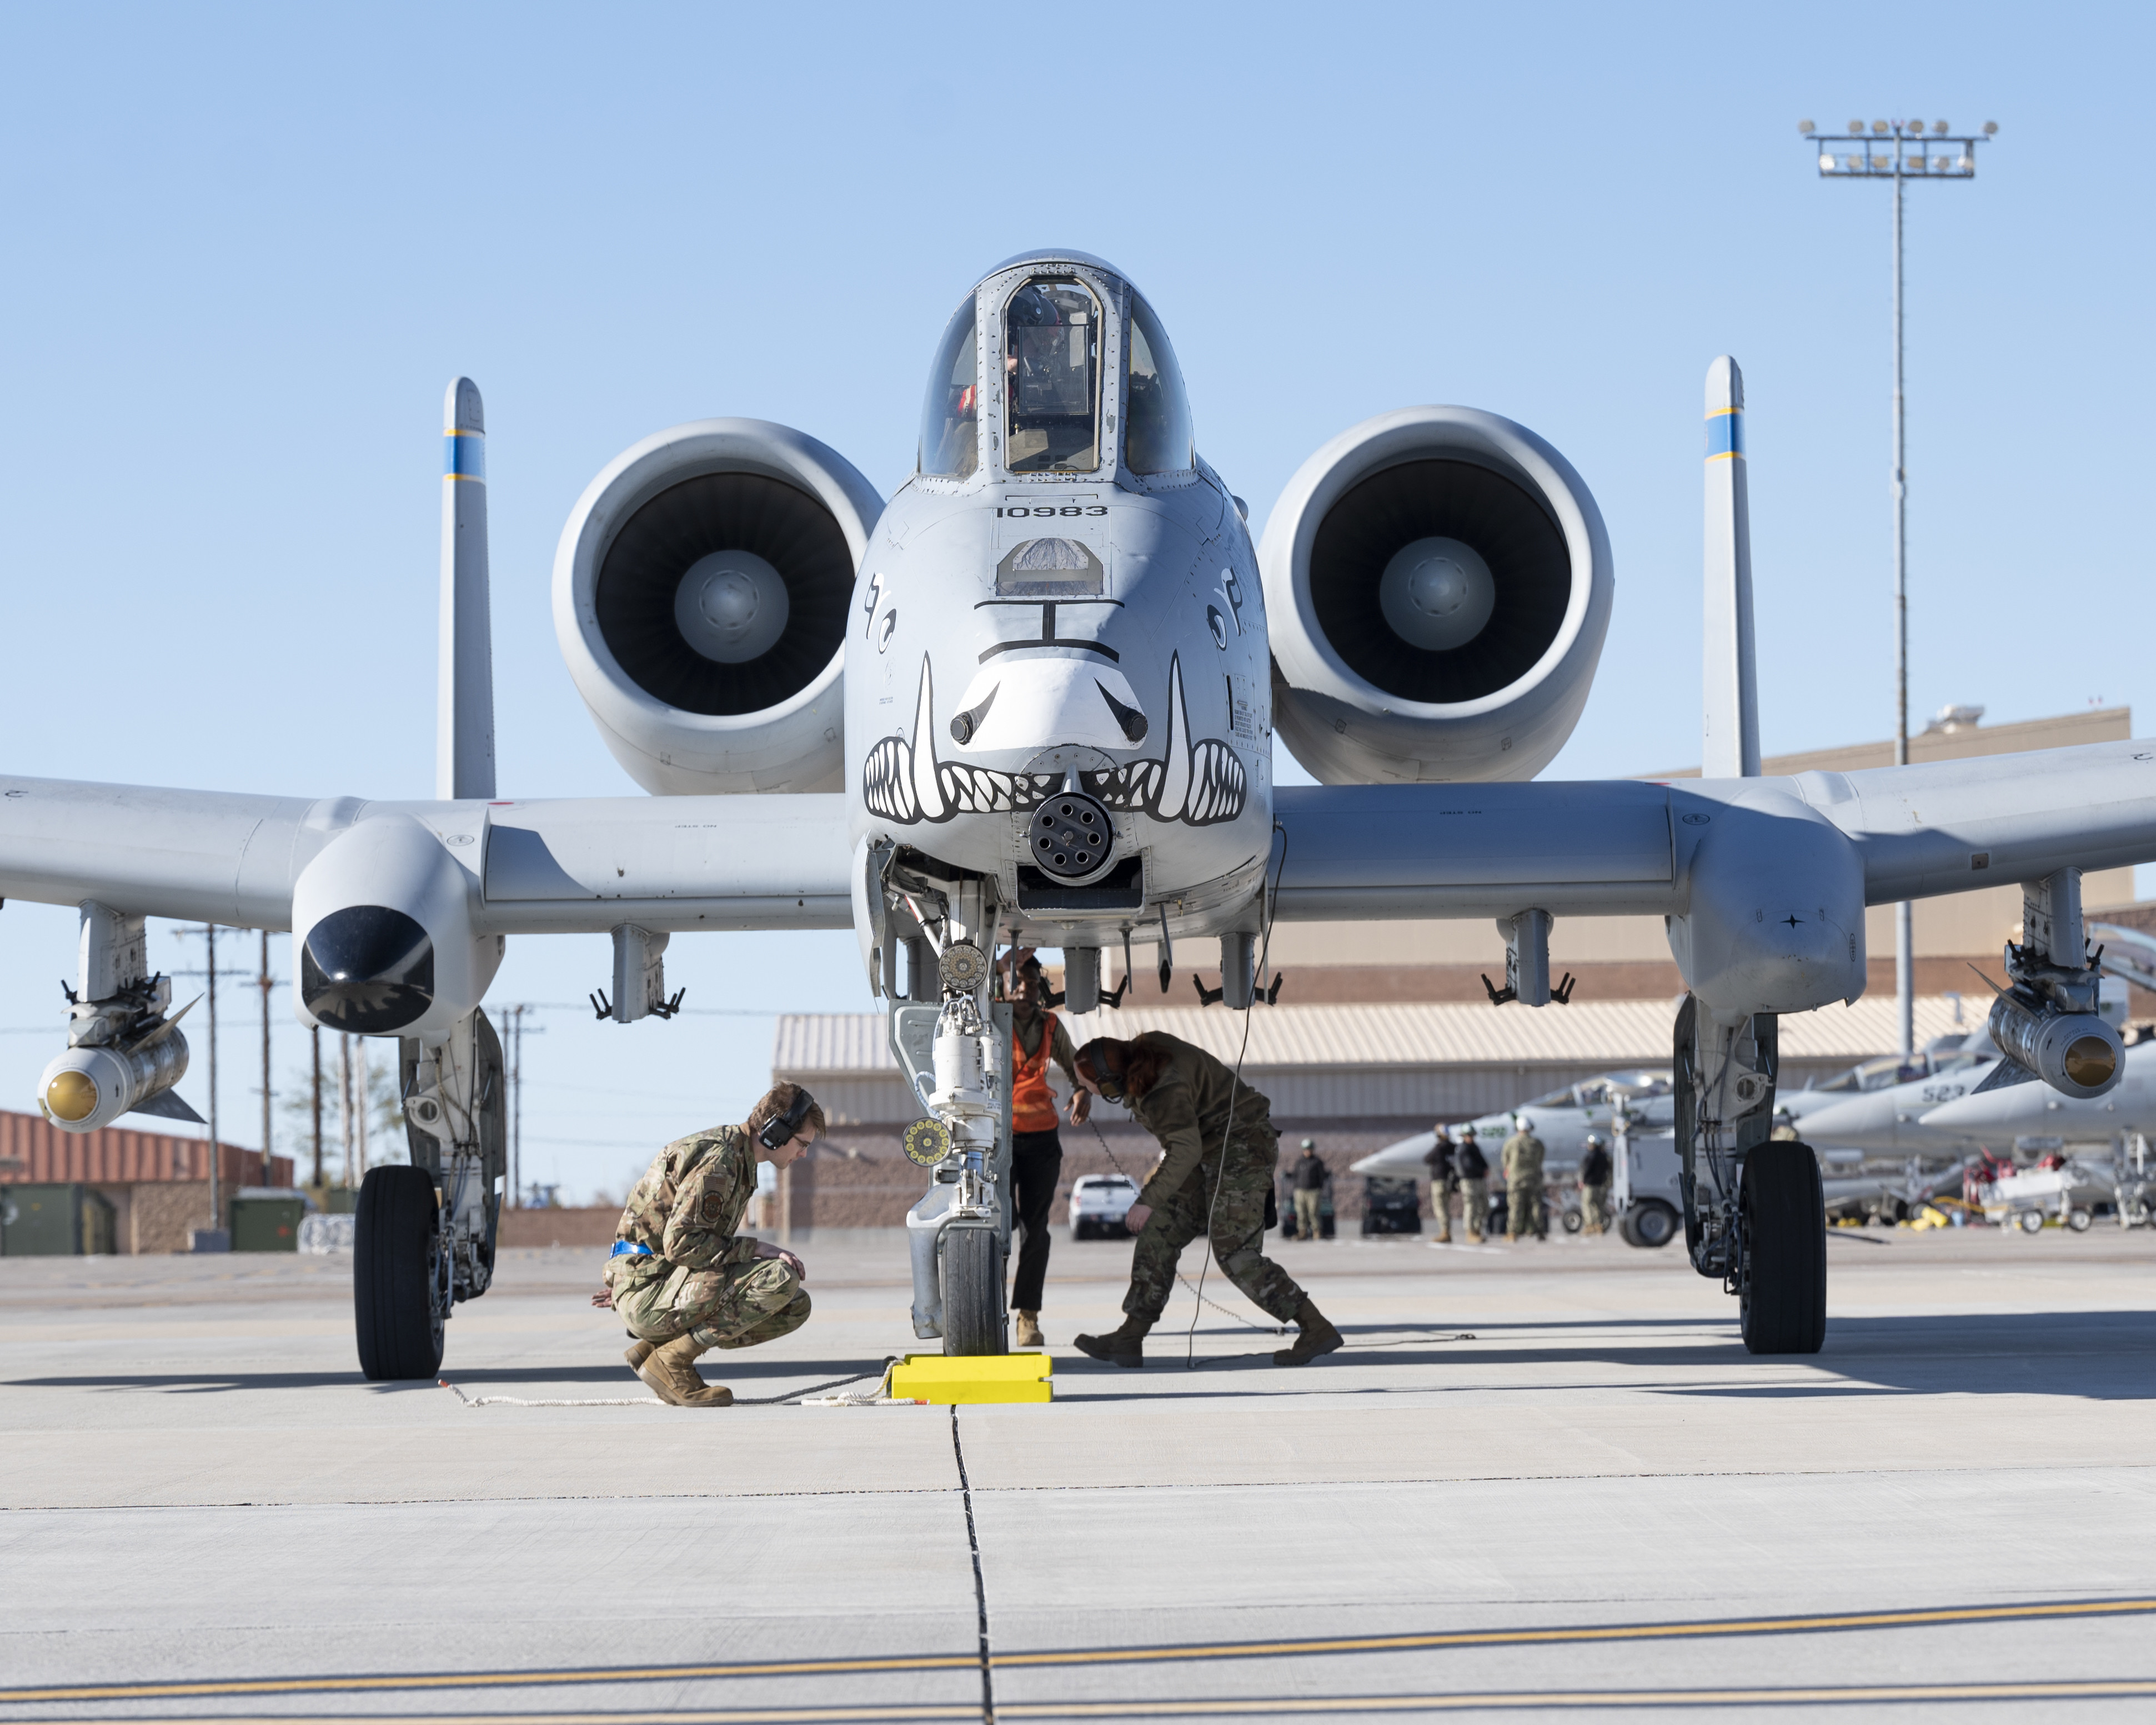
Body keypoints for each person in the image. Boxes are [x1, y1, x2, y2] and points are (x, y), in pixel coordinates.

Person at [1069, 1032, 1341, 1368]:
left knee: (1235, 1251)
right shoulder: (1142, 1053)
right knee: (1160, 1232)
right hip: (1210, 1150)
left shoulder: (1161, 1091)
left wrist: (1148, 1200)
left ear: (1110, 1083)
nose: (1087, 1090)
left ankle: (1316, 1328)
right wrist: (1084, 1087)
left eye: (1090, 1085)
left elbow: (1185, 1150)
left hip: (1241, 1146)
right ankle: (1131, 1336)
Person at [597, 1082, 824, 1407]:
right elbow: (681, 1244)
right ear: (775, 1131)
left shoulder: (734, 1155)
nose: (803, 1154)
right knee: (779, 1278)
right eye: (802, 1144)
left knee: (794, 1306)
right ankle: (672, 1361)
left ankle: (658, 1349)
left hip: (653, 1282)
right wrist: (758, 1248)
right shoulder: (721, 1163)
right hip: (648, 1289)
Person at [1004, 951, 1090, 1348]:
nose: (1025, 989)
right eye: (1019, 981)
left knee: (1035, 1232)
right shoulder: (990, 1020)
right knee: (998, 1226)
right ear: (1005, 984)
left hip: (1040, 1139)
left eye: (1033, 983)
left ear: (1041, 988)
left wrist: (1081, 1091)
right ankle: (988, 1307)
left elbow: (1076, 1067)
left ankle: (1027, 1318)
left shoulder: (1051, 1026)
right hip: (999, 1143)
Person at [1502, 1114, 1547, 1243]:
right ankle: (1540, 1232)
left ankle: (1512, 1233)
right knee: (1536, 1206)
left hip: (1516, 1181)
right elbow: (1540, 1159)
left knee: (1516, 1206)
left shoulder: (1511, 1142)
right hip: (1534, 1179)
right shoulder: (1537, 1143)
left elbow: (1506, 1161)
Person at [1290, 1138, 1328, 1242]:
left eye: (1310, 1149)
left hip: (1313, 1191)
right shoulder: (1299, 1162)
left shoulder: (1317, 1162)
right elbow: (1295, 1176)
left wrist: (1319, 1188)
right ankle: (1302, 1232)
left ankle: (1316, 1232)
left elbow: (1322, 1177)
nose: (1308, 1151)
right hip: (1300, 1191)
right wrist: (1296, 1188)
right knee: (1301, 1212)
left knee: (1313, 1212)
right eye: (1306, 1149)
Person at [1456, 1124, 1489, 1243]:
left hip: (1479, 1180)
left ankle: (1477, 1229)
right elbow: (1469, 1166)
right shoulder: (1463, 1148)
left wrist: (1485, 1169)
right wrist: (1482, 1170)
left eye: (1472, 1135)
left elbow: (1482, 1161)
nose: (1471, 1138)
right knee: (1471, 1206)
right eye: (1468, 1136)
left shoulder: (1474, 1147)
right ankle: (1470, 1232)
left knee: (1483, 1206)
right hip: (1469, 1181)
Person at [1425, 1127, 1458, 1243]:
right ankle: (1447, 1231)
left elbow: (1427, 1159)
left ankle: (1445, 1232)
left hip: (1439, 1182)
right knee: (1446, 1208)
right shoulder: (1454, 1148)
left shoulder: (1439, 1148)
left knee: (1440, 1208)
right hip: (1449, 1181)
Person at [1578, 1132, 1612, 1236]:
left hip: (1590, 1186)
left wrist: (1583, 1180)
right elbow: (1610, 1171)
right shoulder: (1605, 1157)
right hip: (1601, 1185)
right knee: (1599, 1206)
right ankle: (1599, 1225)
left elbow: (1586, 1169)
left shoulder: (1590, 1156)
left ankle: (1590, 1226)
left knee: (1587, 1205)